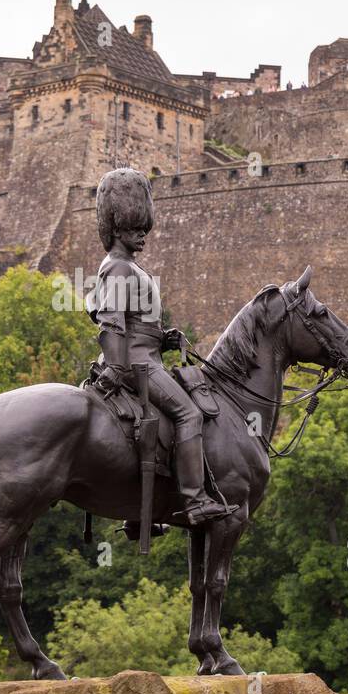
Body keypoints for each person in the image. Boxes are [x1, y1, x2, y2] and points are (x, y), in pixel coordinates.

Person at [86, 168, 231, 527]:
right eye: (136, 229)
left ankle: (147, 506)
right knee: (189, 415)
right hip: (136, 366)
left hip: (147, 358)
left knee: (173, 416)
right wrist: (118, 370)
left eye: (144, 228)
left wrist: (166, 337)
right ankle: (195, 501)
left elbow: (139, 326)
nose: (143, 235)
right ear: (117, 228)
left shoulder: (135, 270)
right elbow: (112, 323)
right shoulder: (117, 268)